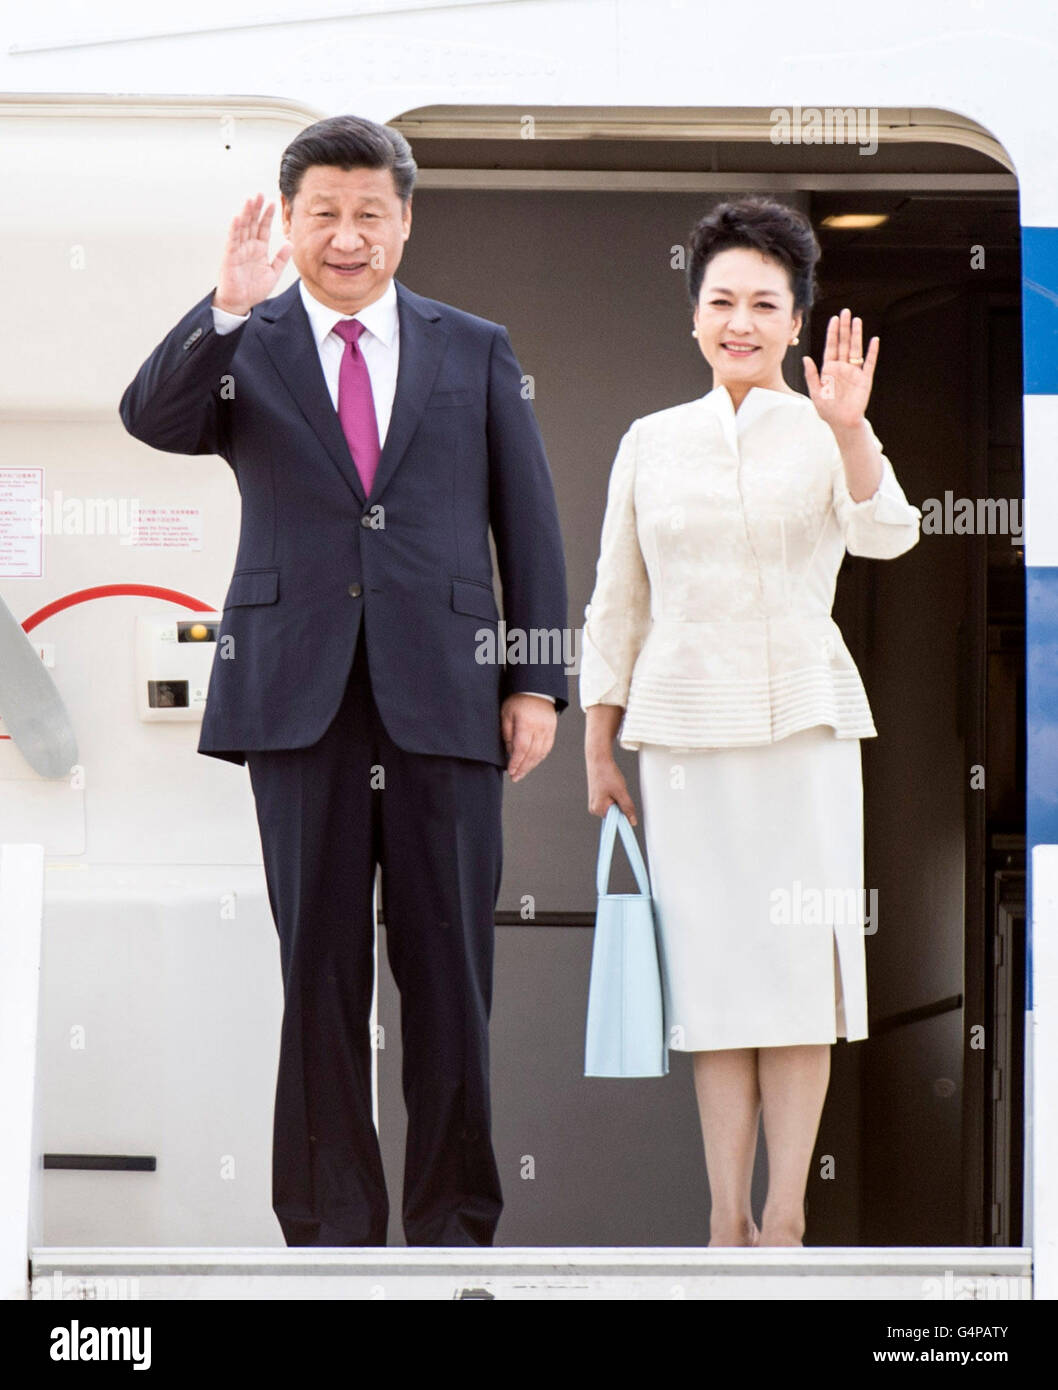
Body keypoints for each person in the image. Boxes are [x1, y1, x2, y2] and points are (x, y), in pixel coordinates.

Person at [119, 115, 569, 1247]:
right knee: (317, 978)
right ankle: (327, 1234)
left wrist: (536, 682)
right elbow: (151, 418)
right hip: (297, 698)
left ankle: (455, 1226)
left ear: (405, 221)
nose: (349, 236)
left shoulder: (474, 346)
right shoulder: (249, 345)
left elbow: (532, 525)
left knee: (449, 980)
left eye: (371, 213)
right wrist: (224, 304)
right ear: (290, 221)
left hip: (449, 694)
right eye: (324, 213)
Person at [580, 197, 921, 1247]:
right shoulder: (648, 440)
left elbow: (888, 533)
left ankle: (783, 1217)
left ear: (795, 320)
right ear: (692, 316)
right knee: (718, 979)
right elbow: (614, 599)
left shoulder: (827, 431)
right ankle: (722, 1219)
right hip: (680, 740)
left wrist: (852, 427)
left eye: (764, 303)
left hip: (801, 733)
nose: (740, 320)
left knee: (795, 976)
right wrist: (597, 737)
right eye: (721, 299)